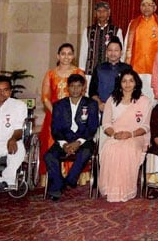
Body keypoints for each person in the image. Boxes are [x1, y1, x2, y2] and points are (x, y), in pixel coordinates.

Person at [44, 73, 100, 201]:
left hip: (84, 140)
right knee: (49, 156)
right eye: (72, 86)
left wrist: (78, 143)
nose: (75, 89)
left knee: (86, 152)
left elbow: (92, 127)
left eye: (78, 86)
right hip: (64, 140)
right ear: (67, 88)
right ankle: (58, 186)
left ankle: (70, 179)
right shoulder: (59, 105)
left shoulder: (91, 104)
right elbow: (55, 129)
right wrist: (64, 143)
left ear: (83, 88)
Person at [99, 70, 151, 202]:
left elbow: (146, 126)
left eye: (131, 81)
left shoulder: (144, 101)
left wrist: (130, 134)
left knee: (127, 150)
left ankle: (125, 190)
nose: (127, 84)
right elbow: (105, 124)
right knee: (110, 149)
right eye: (124, 81)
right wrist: (114, 134)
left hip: (135, 136)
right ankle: (112, 189)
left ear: (136, 83)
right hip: (115, 135)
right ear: (120, 83)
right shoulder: (112, 99)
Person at [39, 43, 85, 182]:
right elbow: (45, 97)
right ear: (58, 56)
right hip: (54, 115)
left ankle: (72, 175)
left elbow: (83, 94)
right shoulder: (50, 74)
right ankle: (53, 176)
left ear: (74, 56)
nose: (66, 57)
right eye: (63, 54)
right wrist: (57, 114)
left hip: (74, 115)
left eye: (69, 53)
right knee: (51, 143)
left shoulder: (79, 73)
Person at [124, 0, 158, 100]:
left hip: (154, 70)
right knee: (136, 100)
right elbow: (127, 45)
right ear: (140, 7)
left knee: (152, 101)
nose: (146, 7)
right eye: (143, 5)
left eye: (149, 5)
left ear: (155, 7)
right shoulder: (133, 24)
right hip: (136, 69)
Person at [79, 1, 123, 76]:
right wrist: (81, 71)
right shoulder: (88, 31)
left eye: (104, 11)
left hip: (110, 72)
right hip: (90, 72)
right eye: (99, 11)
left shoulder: (116, 31)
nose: (101, 13)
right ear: (95, 13)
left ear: (109, 12)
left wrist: (120, 70)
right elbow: (83, 52)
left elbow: (120, 52)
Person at [89, 38, 132, 112]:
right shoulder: (99, 68)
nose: (113, 53)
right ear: (106, 53)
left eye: (116, 50)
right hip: (103, 108)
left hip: (123, 109)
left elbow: (132, 89)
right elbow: (92, 92)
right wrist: (99, 103)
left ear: (121, 53)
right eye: (110, 50)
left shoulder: (127, 68)